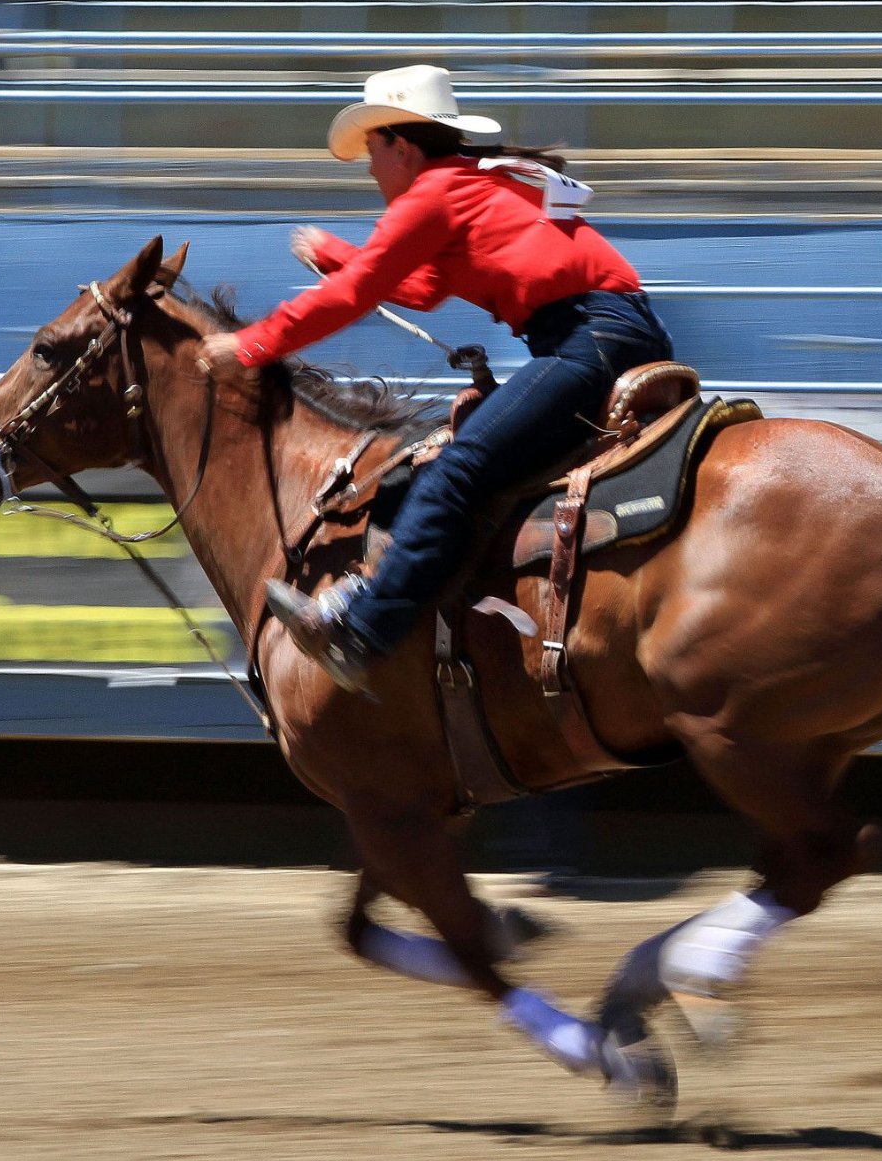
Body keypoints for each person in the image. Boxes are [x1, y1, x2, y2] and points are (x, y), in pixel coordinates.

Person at [199, 64, 673, 694]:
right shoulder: (463, 186)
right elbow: (421, 289)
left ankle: (365, 628)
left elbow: (356, 296)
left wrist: (251, 344)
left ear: (402, 145)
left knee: (457, 469)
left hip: (592, 338)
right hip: (606, 332)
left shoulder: (434, 193)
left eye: (372, 151)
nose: (369, 169)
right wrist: (341, 257)